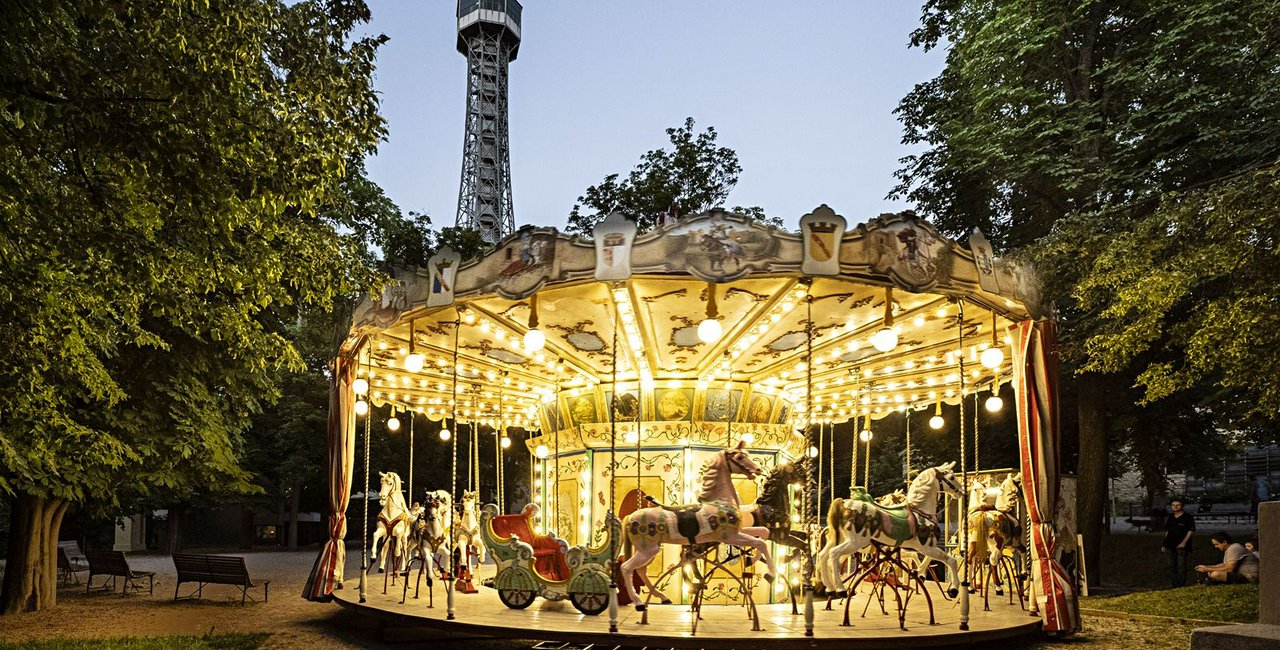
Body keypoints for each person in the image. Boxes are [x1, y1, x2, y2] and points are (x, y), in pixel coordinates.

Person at [1195, 532, 1259, 584]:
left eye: (1216, 544)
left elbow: (1229, 569)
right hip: (1242, 574)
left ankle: (1215, 582)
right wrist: (1206, 567)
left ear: (1224, 542)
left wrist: (1208, 569)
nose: (1215, 547)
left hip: (1249, 576)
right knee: (1211, 572)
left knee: (1215, 574)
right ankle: (1214, 581)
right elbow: (1224, 564)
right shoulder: (1230, 549)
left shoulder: (1234, 548)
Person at [1161, 499, 1196, 587]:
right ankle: (1174, 584)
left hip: (1181, 545)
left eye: (1178, 505)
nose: (1175, 506)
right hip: (1169, 545)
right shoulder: (1171, 517)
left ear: (1182, 506)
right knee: (1170, 566)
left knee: (1181, 566)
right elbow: (1167, 531)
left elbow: (1191, 531)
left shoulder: (1187, 517)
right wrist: (1164, 544)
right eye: (1173, 505)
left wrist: (1184, 542)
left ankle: (1181, 585)